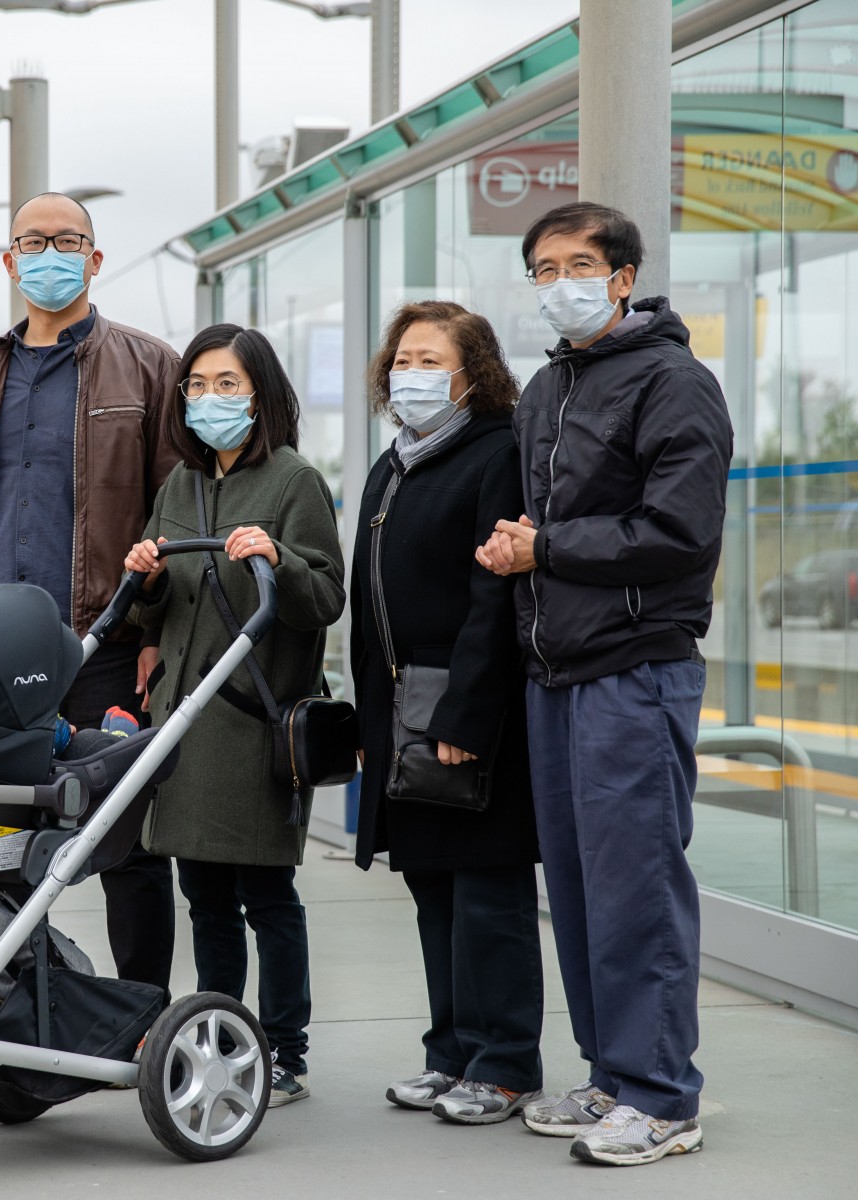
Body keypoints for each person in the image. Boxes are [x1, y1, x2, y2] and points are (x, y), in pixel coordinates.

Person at [477, 202, 733, 1166]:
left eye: (577, 264)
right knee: (581, 891)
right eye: (542, 269)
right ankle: (610, 1077)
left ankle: (664, 1095)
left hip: (635, 668)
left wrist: (545, 548)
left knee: (637, 890)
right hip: (558, 670)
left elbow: (680, 534)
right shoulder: (547, 388)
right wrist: (520, 552)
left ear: (623, 276)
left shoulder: (673, 382)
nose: (559, 283)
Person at [0, 192, 181, 995]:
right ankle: (21, 1009)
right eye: (32, 242)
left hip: (104, 642)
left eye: (68, 241)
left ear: (95, 260)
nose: (49, 255)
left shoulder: (147, 366)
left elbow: (176, 510)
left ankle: (141, 1014)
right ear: (8, 261)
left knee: (127, 848)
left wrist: (155, 636)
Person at [123, 324, 345, 1108]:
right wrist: (146, 577)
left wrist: (279, 560)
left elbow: (323, 598)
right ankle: (219, 1033)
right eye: (198, 384)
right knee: (205, 899)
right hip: (184, 725)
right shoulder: (179, 487)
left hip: (252, 724)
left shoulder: (293, 482)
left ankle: (283, 1050)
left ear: (261, 395)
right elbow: (160, 609)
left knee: (268, 898)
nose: (210, 398)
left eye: (228, 384)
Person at [350, 301, 543, 1126]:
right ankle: (450, 1053)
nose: (409, 373)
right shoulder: (392, 463)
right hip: (401, 712)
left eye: (430, 359)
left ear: (474, 373)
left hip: (466, 718)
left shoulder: (493, 453)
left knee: (487, 894)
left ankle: (503, 1064)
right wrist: (372, 729)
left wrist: (465, 719)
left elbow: (491, 601)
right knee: (433, 890)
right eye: (401, 358)